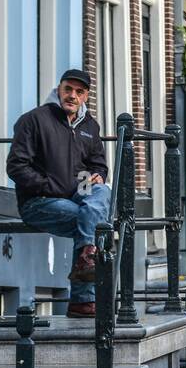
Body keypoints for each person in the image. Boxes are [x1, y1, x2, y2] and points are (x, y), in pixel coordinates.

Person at [7, 69, 110, 318]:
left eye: (79, 92)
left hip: (79, 194)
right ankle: (83, 301)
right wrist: (49, 186)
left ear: (86, 96)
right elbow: (16, 167)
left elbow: (98, 165)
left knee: (102, 192)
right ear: (59, 89)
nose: (72, 95)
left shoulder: (90, 127)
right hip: (39, 201)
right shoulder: (34, 120)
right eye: (68, 89)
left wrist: (96, 176)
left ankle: (87, 257)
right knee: (90, 223)